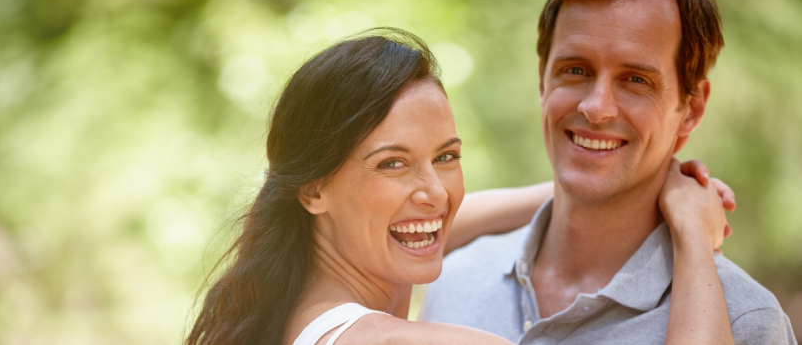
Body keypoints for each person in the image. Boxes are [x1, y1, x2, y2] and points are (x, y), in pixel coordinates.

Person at [183, 28, 736, 345]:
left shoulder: (305, 288)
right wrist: (690, 232)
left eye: (446, 156)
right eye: (392, 165)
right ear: (313, 189)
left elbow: (450, 218)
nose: (434, 193)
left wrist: (618, 183)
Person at [420, 0, 798, 344]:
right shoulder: (454, 281)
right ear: (542, 79)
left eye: (636, 80)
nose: (596, 107)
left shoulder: (746, 322)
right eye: (576, 69)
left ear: (692, 109)